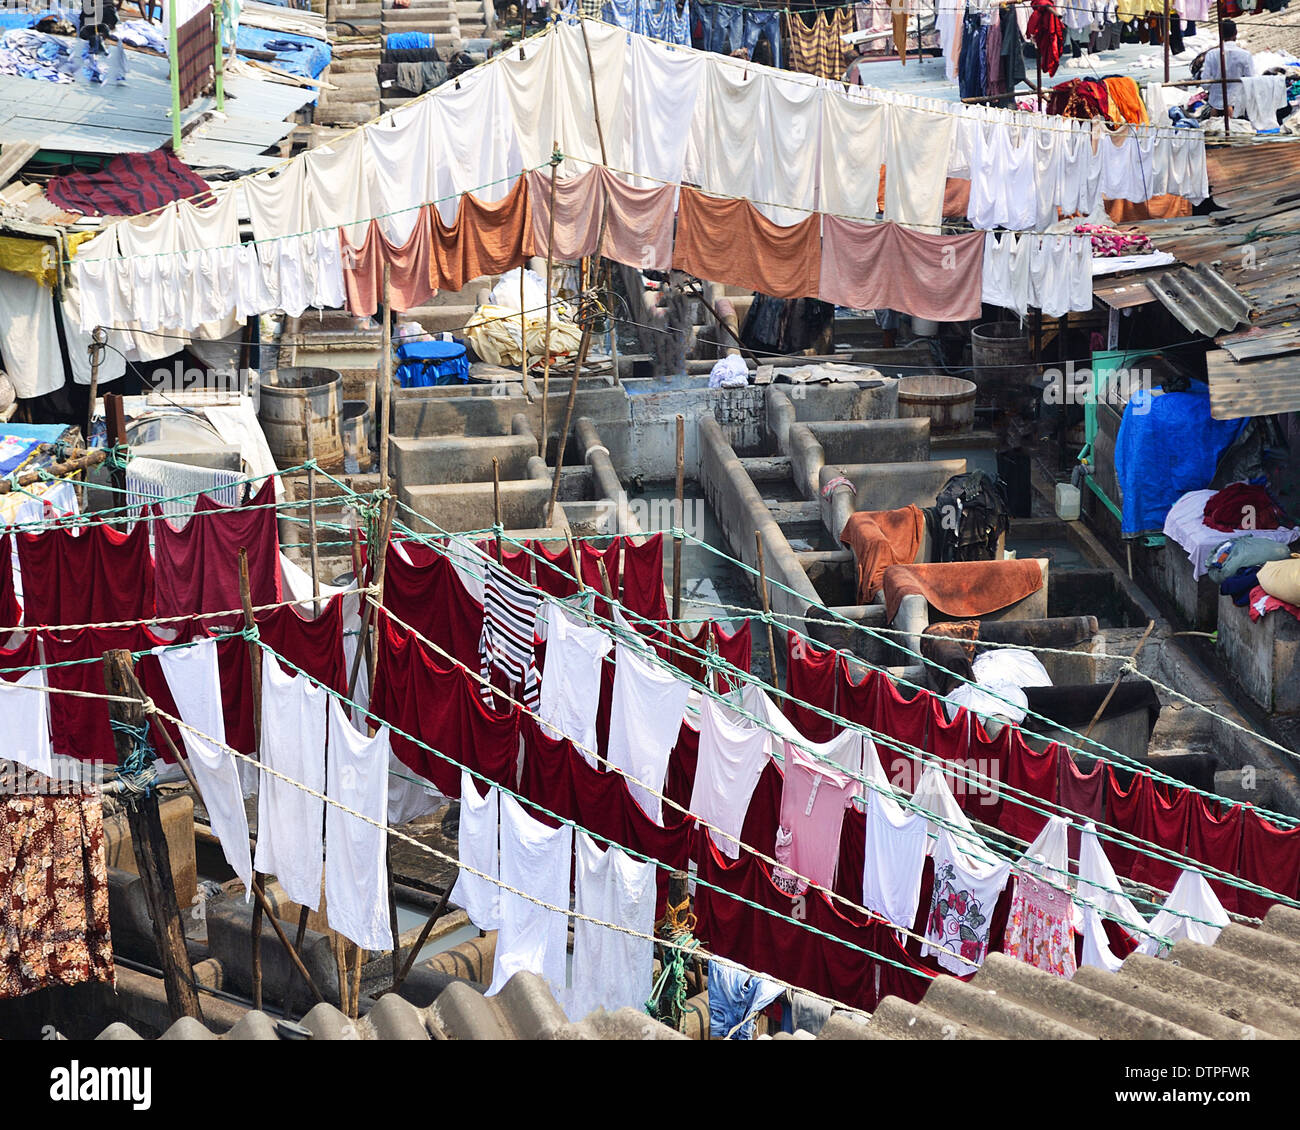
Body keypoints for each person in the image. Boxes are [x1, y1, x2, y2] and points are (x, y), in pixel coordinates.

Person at [1201, 20, 1256, 117]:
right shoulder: (1245, 55)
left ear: (1220, 34)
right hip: (1237, 104)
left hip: (1215, 104)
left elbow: (1205, 84)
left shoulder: (1211, 54)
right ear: (1235, 33)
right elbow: (1251, 82)